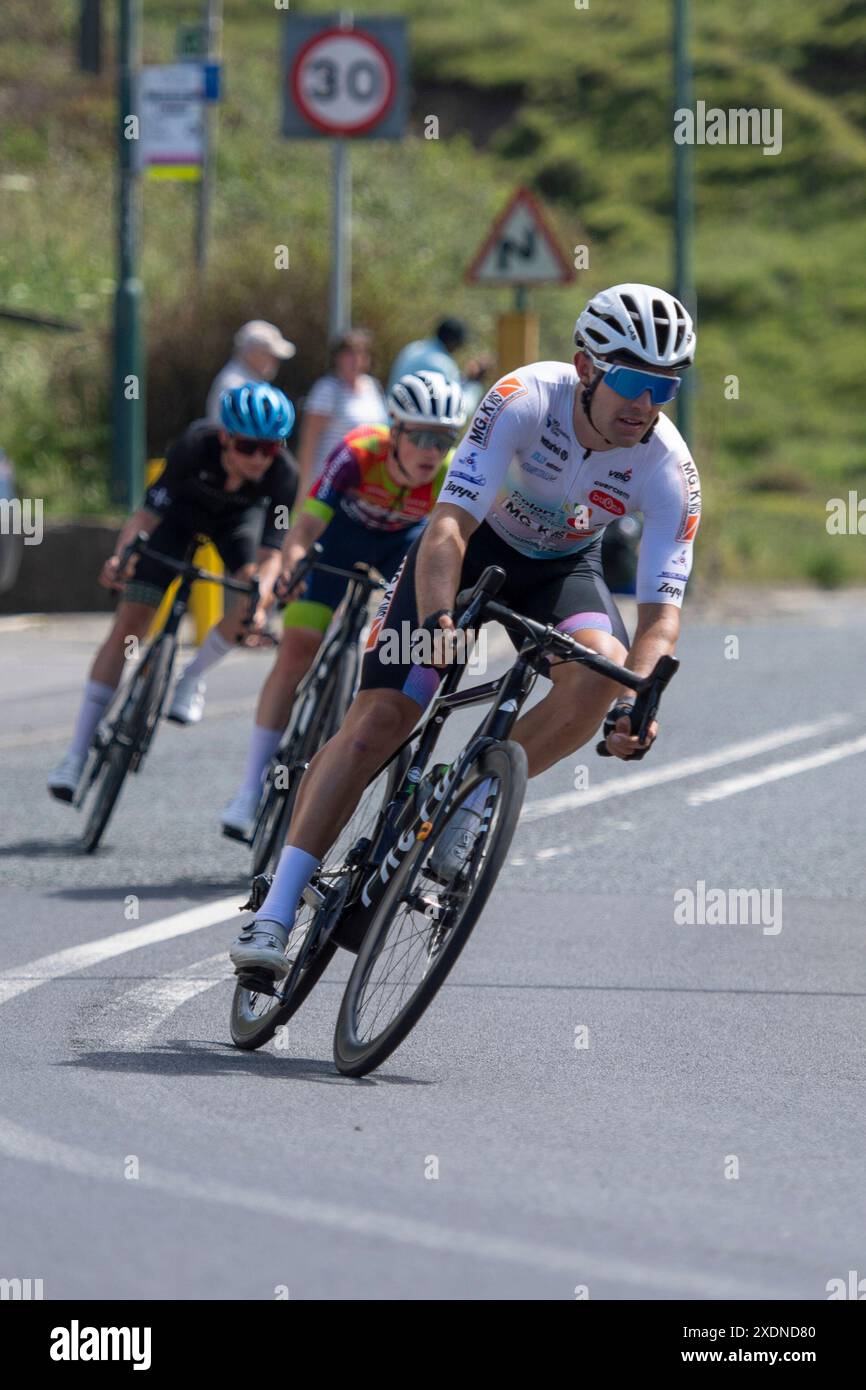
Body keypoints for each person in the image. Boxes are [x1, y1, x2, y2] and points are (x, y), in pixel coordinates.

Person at [229, 282, 702, 979]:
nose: (644, 404)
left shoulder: (670, 469)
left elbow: (660, 616)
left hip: (562, 567)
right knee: (380, 720)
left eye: (664, 387)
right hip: (468, 548)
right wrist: (443, 621)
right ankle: (275, 911)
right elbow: (448, 524)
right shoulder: (523, 398)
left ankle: (471, 797)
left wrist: (637, 702)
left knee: (603, 672)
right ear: (586, 368)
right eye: (630, 380)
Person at [220, 372, 466, 841]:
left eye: (444, 438)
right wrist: (292, 566)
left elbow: (449, 547)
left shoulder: (452, 472)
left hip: (401, 548)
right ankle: (249, 790)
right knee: (296, 651)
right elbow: (307, 527)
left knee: (393, 651)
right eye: (421, 436)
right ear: (395, 431)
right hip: (337, 543)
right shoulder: (357, 452)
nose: (432, 451)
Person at [47, 384, 298, 801]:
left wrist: (260, 599)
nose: (258, 459)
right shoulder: (194, 445)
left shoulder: (284, 474)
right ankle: (75, 755)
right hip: (177, 520)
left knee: (256, 592)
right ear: (225, 438)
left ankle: (192, 676)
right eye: (248, 446)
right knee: (130, 624)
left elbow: (273, 553)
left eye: (268, 449)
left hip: (236, 526)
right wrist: (122, 555)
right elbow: (146, 515)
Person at [295, 329, 388, 499]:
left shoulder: (372, 387)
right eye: (349, 354)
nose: (355, 360)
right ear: (337, 358)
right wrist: (302, 488)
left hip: (364, 486)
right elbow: (308, 442)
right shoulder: (327, 389)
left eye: (361, 354)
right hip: (329, 483)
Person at [388, 317, 493, 415]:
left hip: (394, 420)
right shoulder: (443, 364)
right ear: (453, 343)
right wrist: (475, 384)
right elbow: (458, 408)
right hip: (415, 429)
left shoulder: (413, 348)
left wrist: (467, 379)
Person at [205, 321, 296, 424]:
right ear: (251, 353)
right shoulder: (234, 384)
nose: (275, 361)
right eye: (268, 354)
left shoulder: (248, 379)